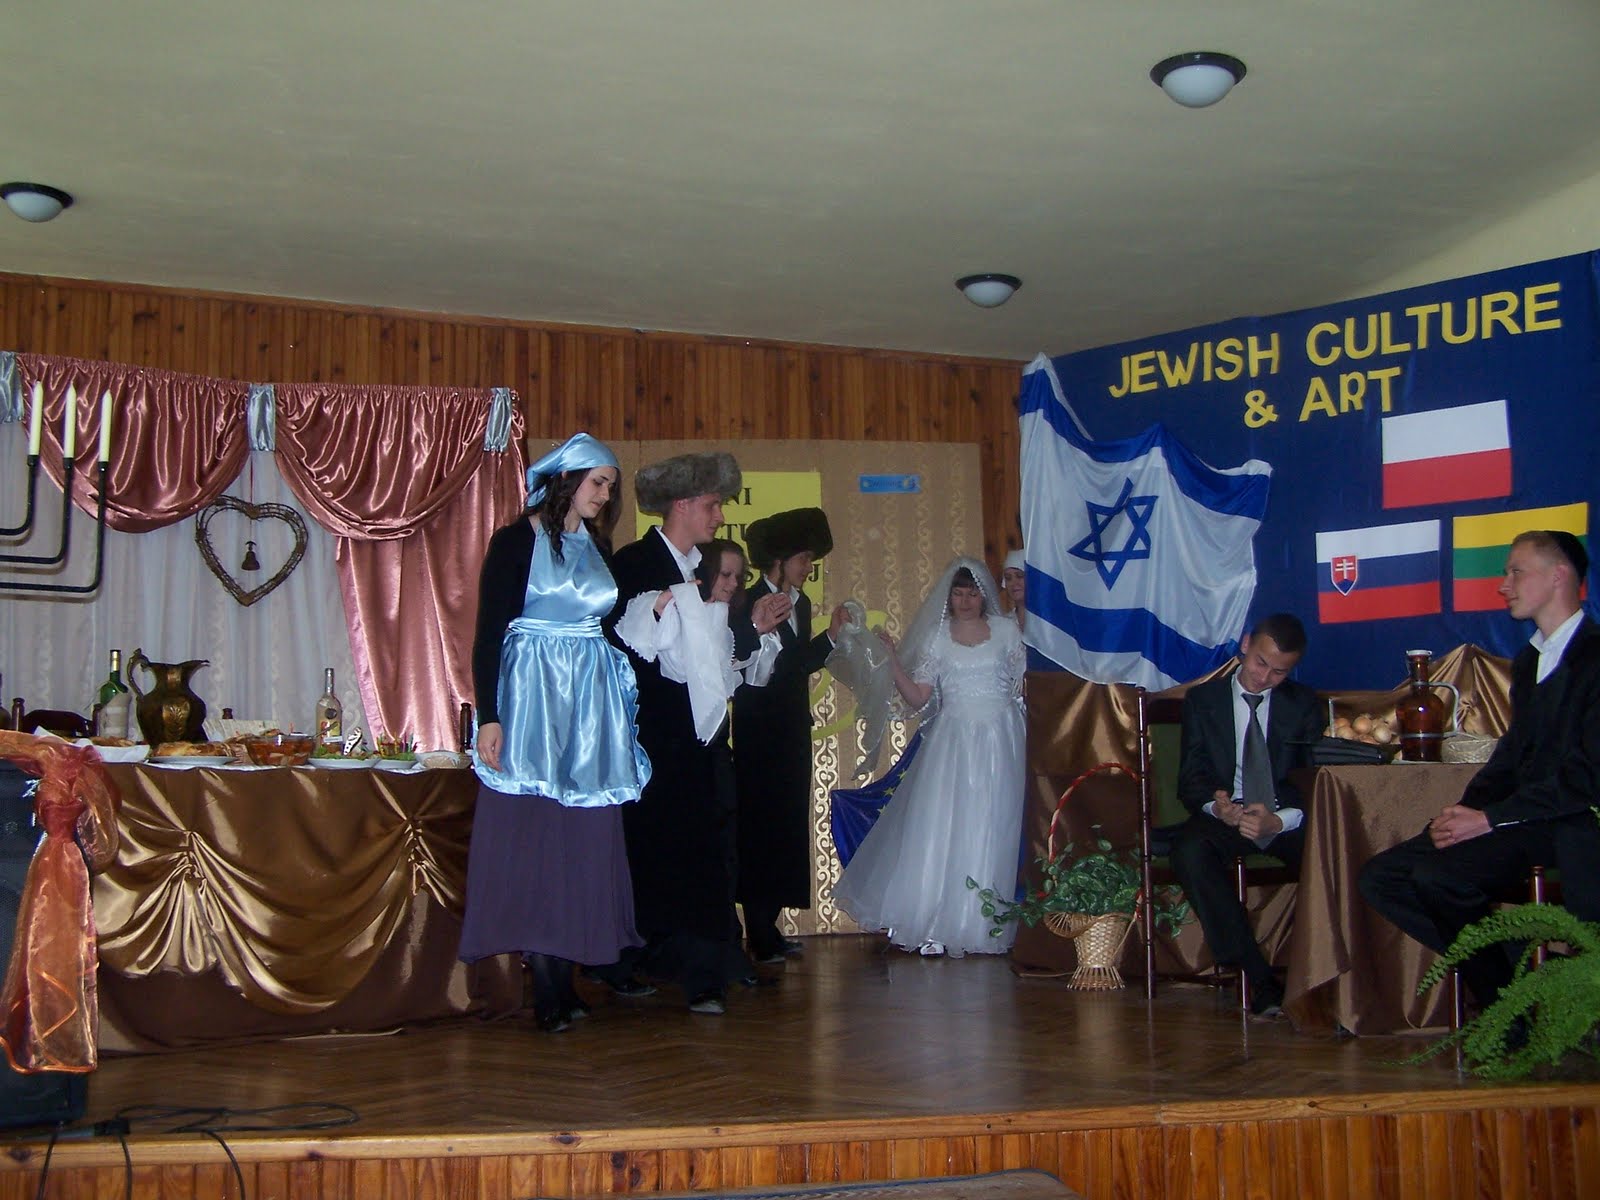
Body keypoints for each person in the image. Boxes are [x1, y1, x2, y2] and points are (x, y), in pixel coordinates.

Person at [458, 433, 653, 1033]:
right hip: (533, 699)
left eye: (610, 486)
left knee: (581, 834)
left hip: (589, 703)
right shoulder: (517, 540)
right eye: (598, 482)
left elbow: (607, 625)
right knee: (535, 833)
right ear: (567, 480)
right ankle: (545, 984)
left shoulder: (596, 544)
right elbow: (490, 633)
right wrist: (490, 715)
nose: (605, 495)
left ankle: (564, 977)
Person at [1359, 530, 1600, 1010]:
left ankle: (1506, 1007)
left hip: (1571, 824)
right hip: (1521, 818)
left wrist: (1488, 819)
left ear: (1559, 576)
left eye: (1516, 571)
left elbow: (1587, 777)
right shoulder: (1530, 660)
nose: (1503, 584)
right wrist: (1464, 810)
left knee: (1438, 878)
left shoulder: (1595, 657)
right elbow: (1511, 757)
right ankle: (1520, 975)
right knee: (1382, 877)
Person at [601, 453, 790, 1014]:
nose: (718, 515)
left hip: (703, 738)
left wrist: (750, 629)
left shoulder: (710, 566)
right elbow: (621, 646)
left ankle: (709, 965)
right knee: (652, 850)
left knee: (709, 848)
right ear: (682, 504)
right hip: (651, 734)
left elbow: (721, 655)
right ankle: (640, 956)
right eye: (712, 504)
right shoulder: (635, 564)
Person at [832, 556, 1026, 957]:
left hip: (1000, 738)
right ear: (949, 597)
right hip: (953, 740)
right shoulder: (939, 637)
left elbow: (1025, 682)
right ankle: (936, 921)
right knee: (944, 828)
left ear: (984, 594)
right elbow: (919, 697)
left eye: (973, 592)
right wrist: (894, 661)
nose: (966, 600)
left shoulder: (1007, 631)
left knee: (993, 827)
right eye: (958, 593)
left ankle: (983, 923)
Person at [1168, 612, 1322, 1017]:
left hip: (1283, 817)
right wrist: (1218, 807)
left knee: (1332, 851)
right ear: (1245, 644)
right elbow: (1191, 778)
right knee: (1191, 852)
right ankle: (1257, 976)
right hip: (1227, 815)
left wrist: (1279, 818)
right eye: (1260, 663)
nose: (1263, 678)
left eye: (1278, 673)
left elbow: (1311, 780)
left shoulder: (1305, 705)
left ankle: (1331, 975)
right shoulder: (1204, 701)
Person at [732, 508, 848, 965]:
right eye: (802, 558)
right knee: (760, 827)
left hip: (792, 730)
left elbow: (796, 664)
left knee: (785, 824)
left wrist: (832, 638)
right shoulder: (745, 602)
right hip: (759, 733)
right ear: (778, 560)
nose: (807, 567)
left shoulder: (799, 603)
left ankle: (772, 926)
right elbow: (760, 668)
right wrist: (826, 643)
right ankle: (757, 930)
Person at [1000, 548, 1027, 629]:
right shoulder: (1003, 624)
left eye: (1019, 576)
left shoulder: (1048, 622)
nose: (1014, 583)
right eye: (1008, 578)